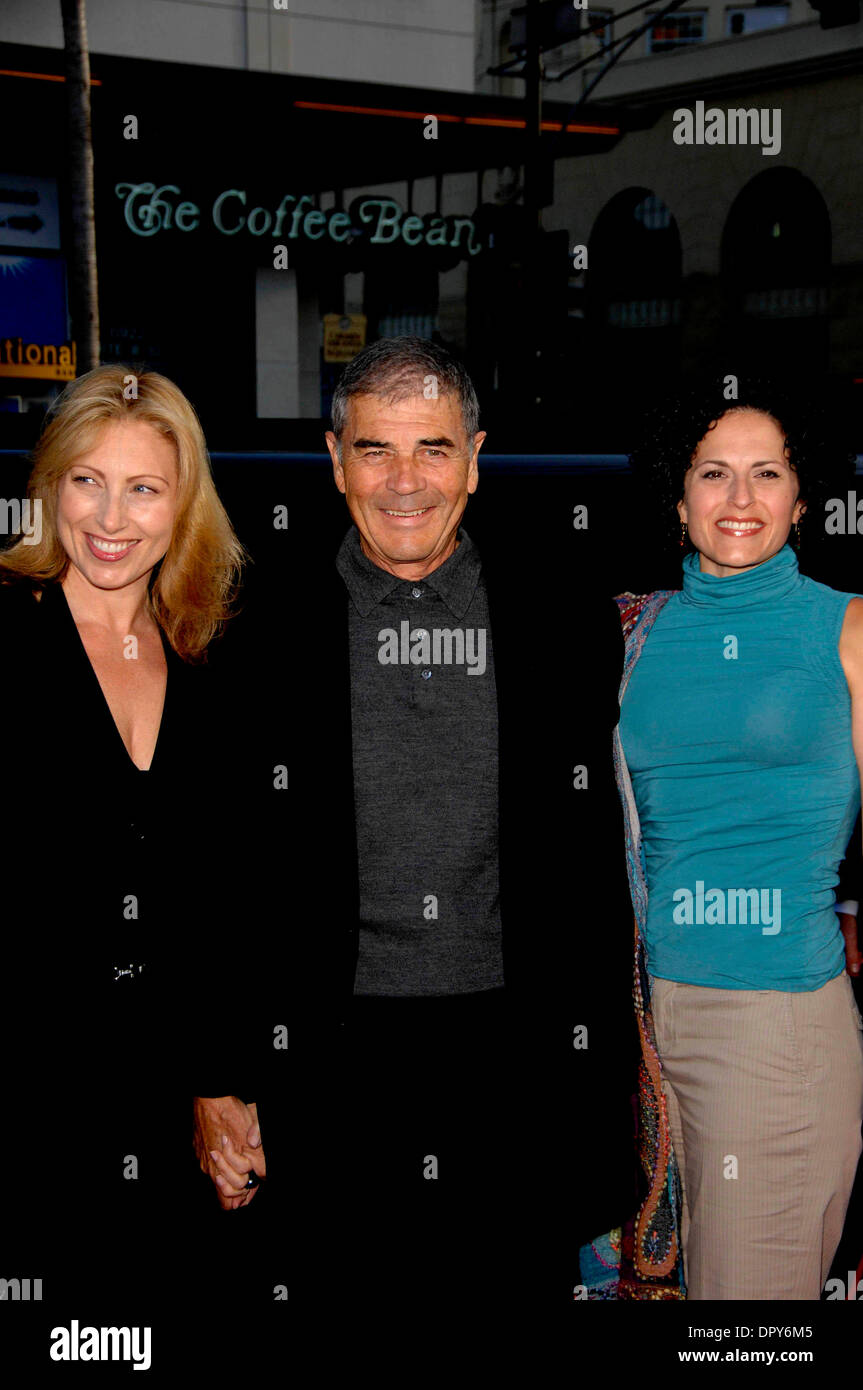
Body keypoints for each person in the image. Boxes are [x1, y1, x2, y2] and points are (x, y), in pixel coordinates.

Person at [190, 336, 637, 1309]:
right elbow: (220, 869)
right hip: (325, 1070)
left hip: (511, 1071)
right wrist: (221, 1075)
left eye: (431, 448)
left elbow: (597, 861)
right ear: (333, 457)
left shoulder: (560, 615)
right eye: (374, 450)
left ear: (474, 458)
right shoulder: (249, 626)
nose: (404, 481)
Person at [0, 364, 246, 1311]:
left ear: (183, 505)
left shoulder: (213, 651)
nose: (111, 515)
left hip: (166, 1102)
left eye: (144, 487)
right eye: (86, 480)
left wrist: (221, 1085)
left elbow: (227, 894)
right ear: (50, 485)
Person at [614, 377, 863, 1299]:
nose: (741, 500)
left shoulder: (845, 629)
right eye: (713, 474)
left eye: (768, 474)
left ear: (803, 497)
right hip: (643, 1023)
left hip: (775, 1027)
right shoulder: (634, 632)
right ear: (677, 499)